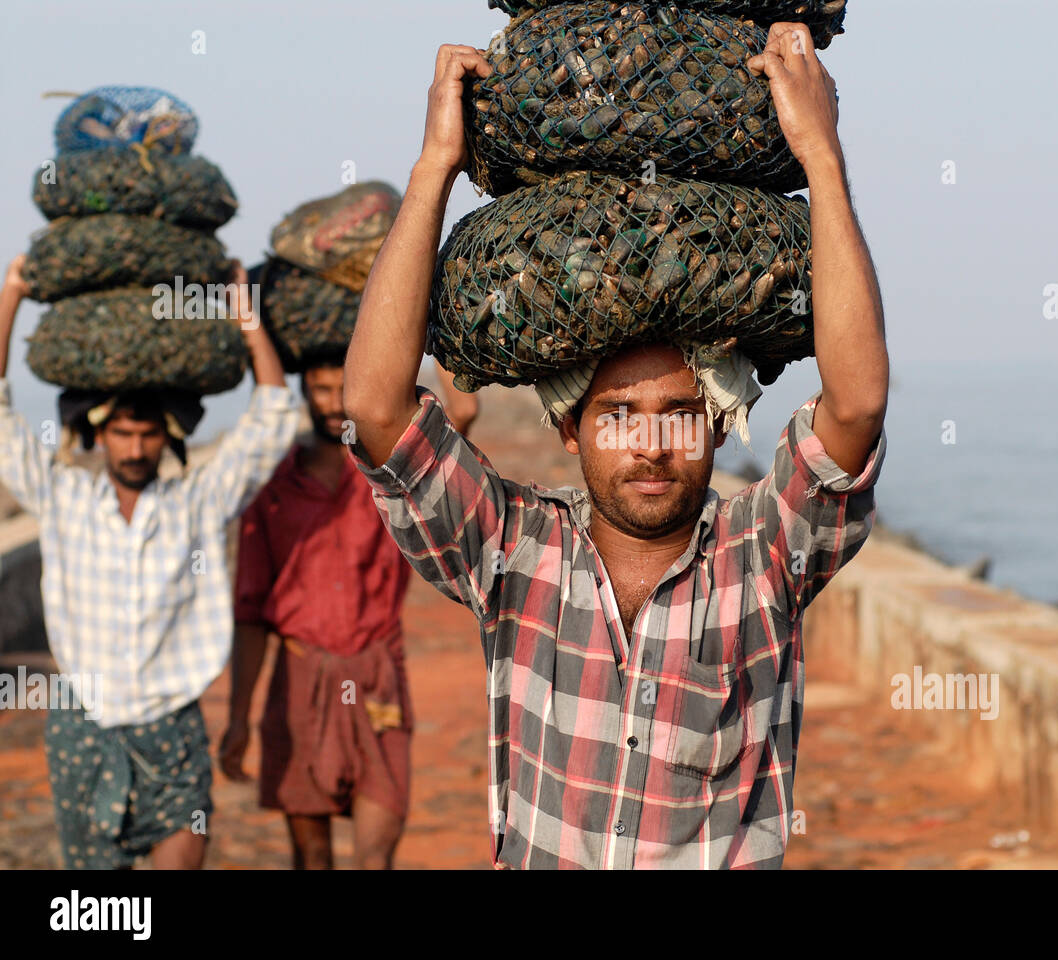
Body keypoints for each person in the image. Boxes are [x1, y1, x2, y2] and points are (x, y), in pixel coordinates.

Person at [343, 24, 889, 869]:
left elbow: (856, 405)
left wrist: (820, 155)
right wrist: (433, 170)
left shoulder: (762, 557)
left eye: (677, 412)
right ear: (570, 428)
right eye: (618, 415)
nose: (651, 445)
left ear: (714, 422)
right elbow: (377, 411)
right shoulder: (514, 552)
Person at [0, 257, 299, 869]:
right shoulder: (63, 499)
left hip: (172, 729)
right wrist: (12, 294)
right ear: (99, 434)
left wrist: (245, 317)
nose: (135, 449)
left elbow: (272, 416)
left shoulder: (195, 503)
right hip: (84, 729)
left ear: (166, 436)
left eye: (147, 435)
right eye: (123, 435)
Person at [220, 349, 477, 869]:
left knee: (374, 855)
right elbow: (250, 613)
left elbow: (464, 413)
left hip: (377, 672)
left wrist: (427, 331)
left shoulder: (390, 476)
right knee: (311, 857)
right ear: (303, 394)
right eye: (320, 389)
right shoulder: (270, 490)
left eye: (344, 389)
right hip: (298, 680)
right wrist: (239, 718)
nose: (335, 404)